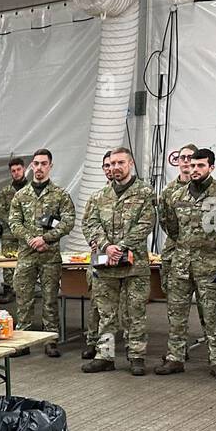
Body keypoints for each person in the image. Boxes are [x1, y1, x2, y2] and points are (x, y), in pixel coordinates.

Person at [155, 148, 216, 379]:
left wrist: (211, 247)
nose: (195, 169)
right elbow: (170, 226)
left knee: (211, 315)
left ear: (211, 168)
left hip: (210, 266)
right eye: (192, 165)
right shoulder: (177, 196)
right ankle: (175, 358)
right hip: (181, 265)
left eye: (200, 166)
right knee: (176, 314)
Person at [82, 148, 154, 376]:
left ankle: (136, 356)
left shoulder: (145, 192)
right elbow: (89, 224)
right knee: (107, 314)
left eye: (120, 162)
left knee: (136, 313)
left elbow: (145, 224)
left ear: (130, 163)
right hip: (105, 266)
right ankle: (105, 356)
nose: (115, 167)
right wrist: (107, 247)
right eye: (111, 163)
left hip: (135, 266)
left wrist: (121, 247)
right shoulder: (98, 196)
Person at [8, 149, 73, 356]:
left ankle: (50, 340)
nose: (39, 168)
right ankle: (24, 340)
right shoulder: (21, 195)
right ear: (31, 167)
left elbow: (68, 221)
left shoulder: (60, 195)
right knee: (23, 298)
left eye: (43, 164)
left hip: (50, 256)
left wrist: (45, 238)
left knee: (50, 298)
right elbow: (14, 223)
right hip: (27, 255)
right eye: (35, 164)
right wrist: (31, 240)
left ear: (50, 166)